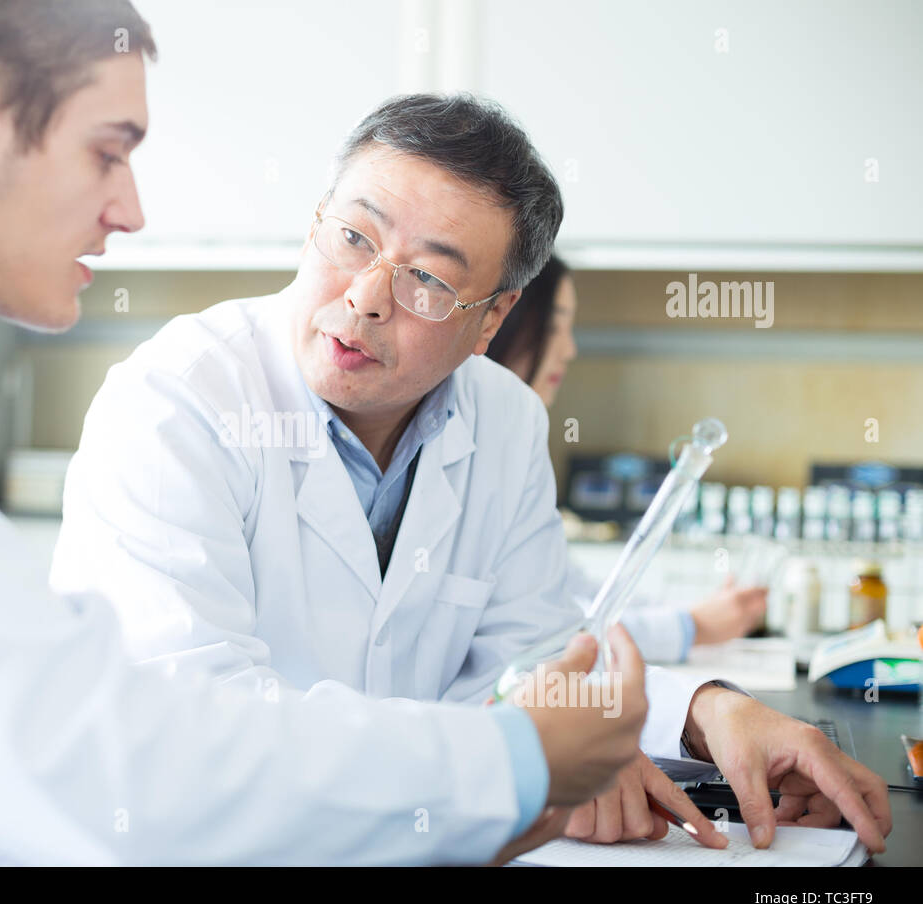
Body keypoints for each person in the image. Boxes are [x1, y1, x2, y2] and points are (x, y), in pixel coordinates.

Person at [0, 0, 648, 867]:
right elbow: (87, 742)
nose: (131, 208)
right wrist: (513, 763)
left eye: (429, 275)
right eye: (107, 153)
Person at [54, 93, 892, 852]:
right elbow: (202, 728)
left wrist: (709, 711)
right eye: (353, 236)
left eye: (428, 278)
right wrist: (522, 765)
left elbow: (527, 668)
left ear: (491, 318)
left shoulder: (504, 419)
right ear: (315, 222)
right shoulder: (175, 403)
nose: (368, 297)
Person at [486, 254, 769, 663]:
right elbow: (550, 625)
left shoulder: (515, 443)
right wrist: (693, 626)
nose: (570, 349)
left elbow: (577, 591)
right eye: (554, 326)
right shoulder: (479, 452)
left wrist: (693, 611)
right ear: (503, 322)